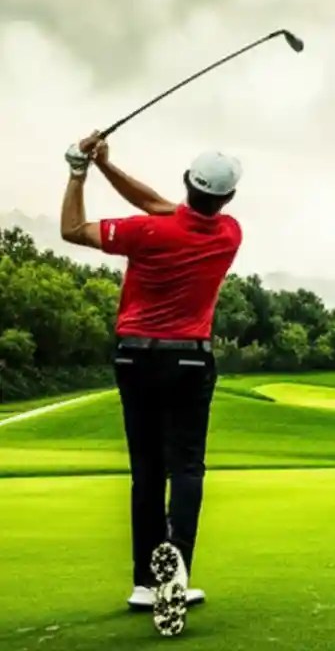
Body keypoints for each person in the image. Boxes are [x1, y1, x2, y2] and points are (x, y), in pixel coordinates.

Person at [60, 131, 243, 637]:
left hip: (133, 357)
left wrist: (78, 171)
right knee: (185, 468)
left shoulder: (146, 233)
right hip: (188, 361)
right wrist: (104, 166)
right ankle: (174, 574)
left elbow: (72, 228)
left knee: (147, 470)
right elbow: (159, 205)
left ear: (188, 183)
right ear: (226, 198)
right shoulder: (228, 232)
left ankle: (146, 580)